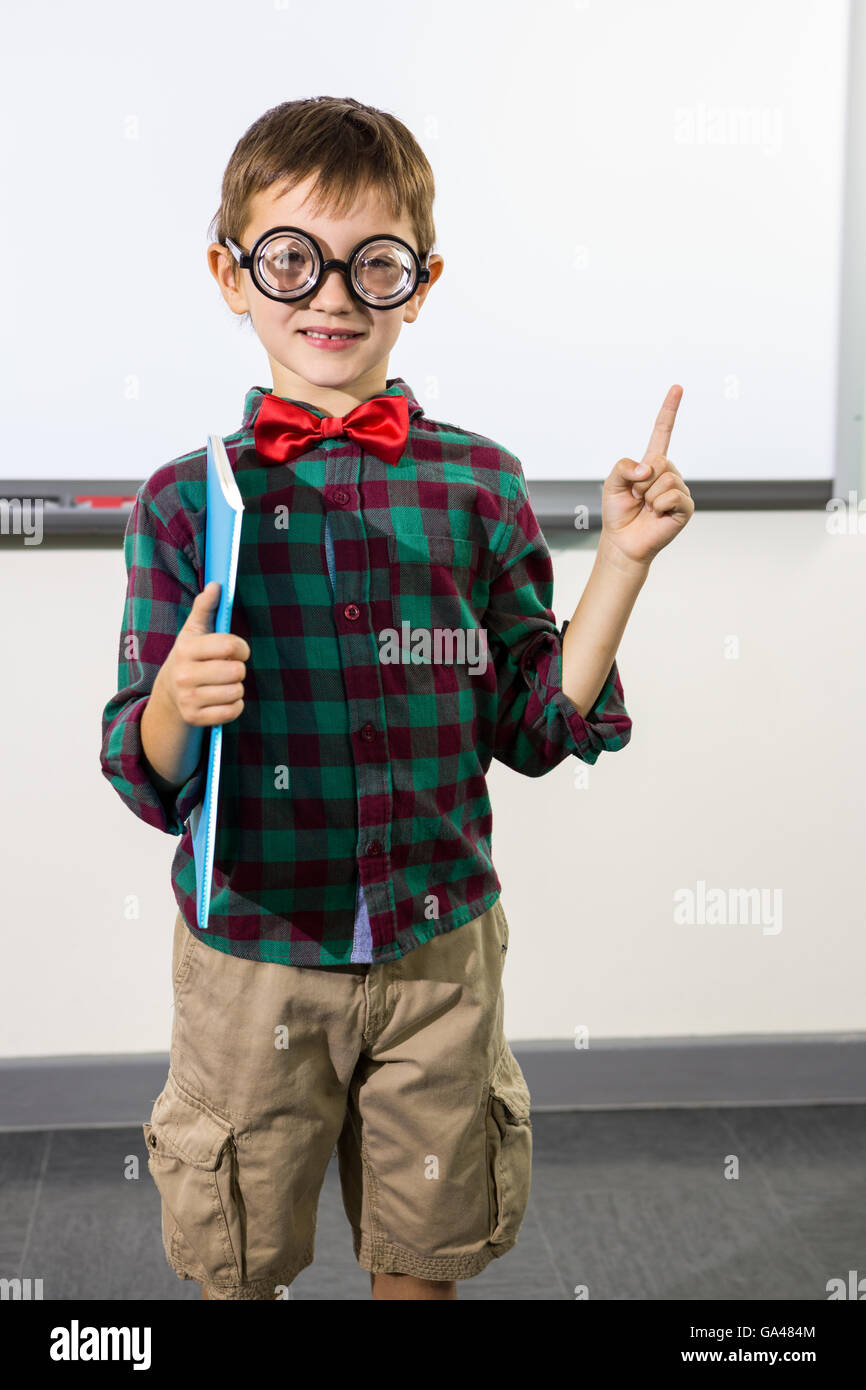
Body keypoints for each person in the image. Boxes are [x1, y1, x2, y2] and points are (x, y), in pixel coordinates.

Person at [100, 95, 693, 1302]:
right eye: (291, 259)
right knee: (240, 1258)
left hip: (438, 953)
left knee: (423, 1259)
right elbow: (144, 767)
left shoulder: (481, 484)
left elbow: (532, 724)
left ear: (418, 283)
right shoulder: (182, 502)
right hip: (253, 953)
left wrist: (620, 565)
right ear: (231, 272)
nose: (330, 295)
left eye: (372, 264)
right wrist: (174, 699)